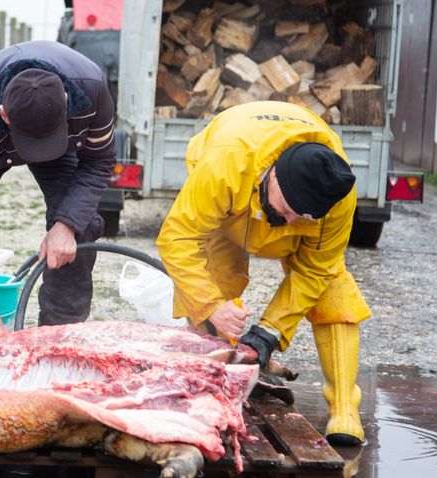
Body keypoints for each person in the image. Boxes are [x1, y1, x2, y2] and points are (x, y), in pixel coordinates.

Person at [156, 101, 371, 446]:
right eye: (287, 209)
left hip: (279, 196)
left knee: (334, 291)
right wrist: (212, 306)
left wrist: (268, 333)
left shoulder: (337, 196)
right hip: (233, 207)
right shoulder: (224, 163)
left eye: (303, 216)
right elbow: (177, 238)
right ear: (273, 174)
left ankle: (345, 404)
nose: (290, 223)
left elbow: (316, 270)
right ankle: (215, 383)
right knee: (215, 277)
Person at [0, 41, 116, 337]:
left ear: (67, 102)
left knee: (82, 226)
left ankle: (58, 332)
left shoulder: (92, 90)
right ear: (4, 114)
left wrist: (66, 225)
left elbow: (99, 162)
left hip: (61, 148)